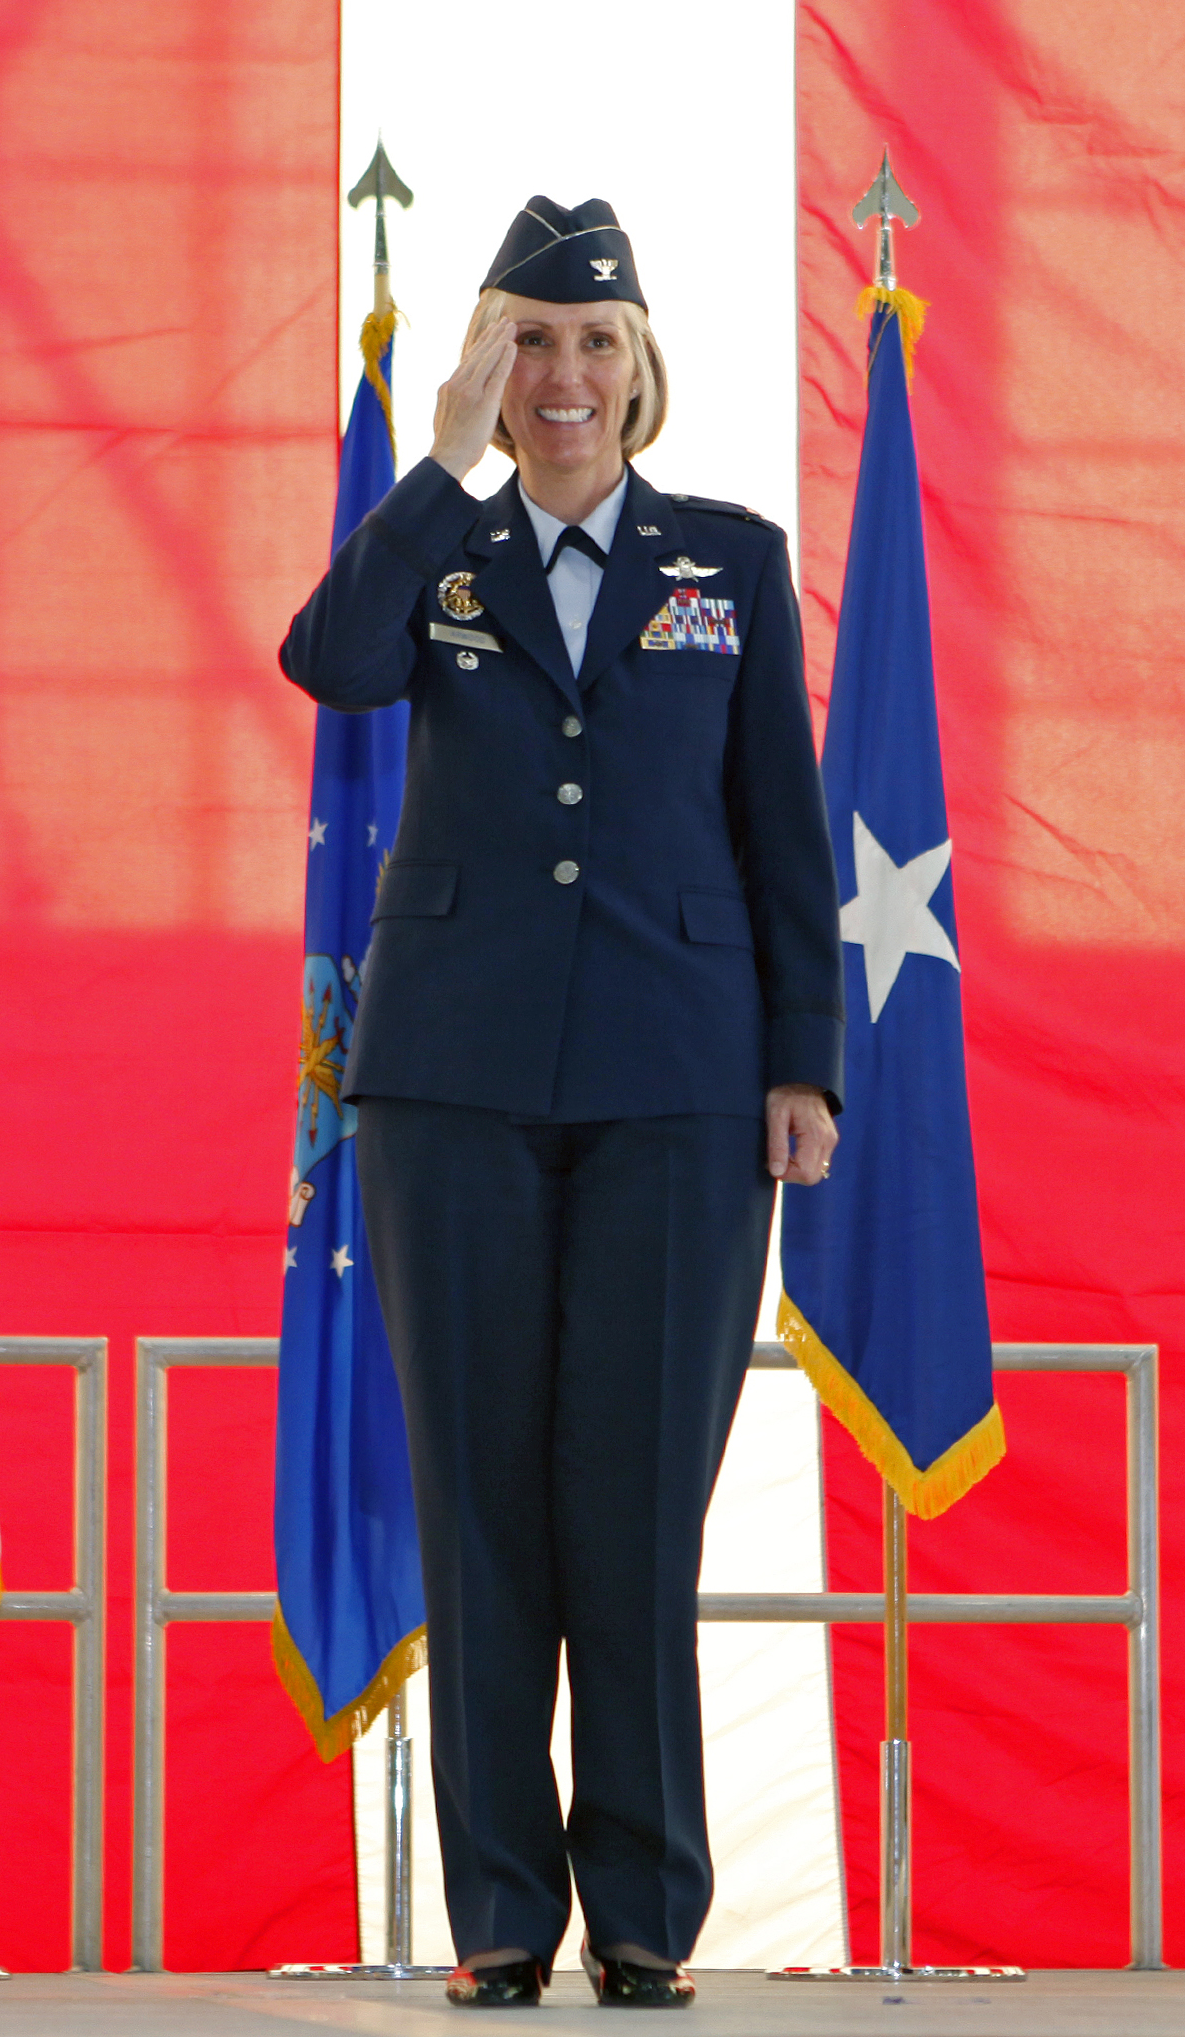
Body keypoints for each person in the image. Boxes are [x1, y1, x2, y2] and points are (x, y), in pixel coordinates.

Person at [280, 197, 843, 2008]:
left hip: (680, 1087)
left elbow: (782, 829)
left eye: (596, 342)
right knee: (482, 1503)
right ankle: (503, 1914)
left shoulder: (727, 562)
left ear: (641, 363)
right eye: (530, 340)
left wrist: (803, 1063)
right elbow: (330, 663)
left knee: (637, 1502)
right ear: (489, 364)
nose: (565, 374)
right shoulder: (436, 551)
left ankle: (649, 1913)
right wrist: (437, 461)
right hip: (451, 1084)